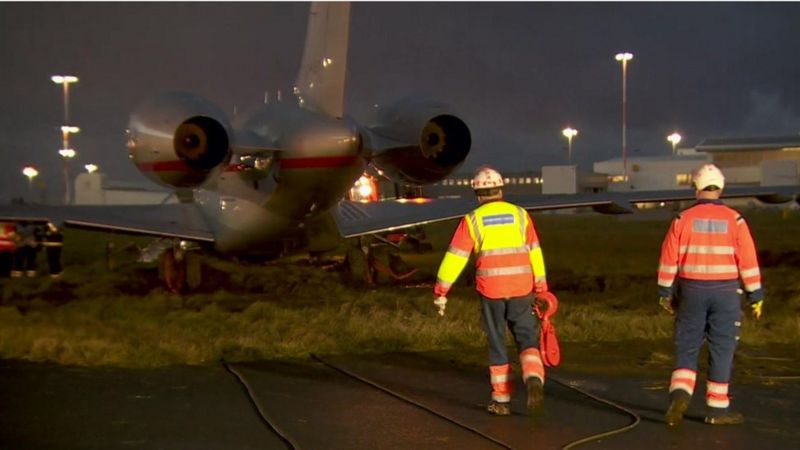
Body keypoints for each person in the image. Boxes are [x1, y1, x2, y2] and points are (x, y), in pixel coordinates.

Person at [433, 166, 549, 416]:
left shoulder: (472, 220)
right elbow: (535, 252)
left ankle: (501, 401)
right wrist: (542, 288)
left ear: (478, 193)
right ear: (500, 189)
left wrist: (441, 290)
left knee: (497, 344)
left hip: (491, 291)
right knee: (527, 339)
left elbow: (456, 257)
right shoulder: (521, 215)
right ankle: (533, 379)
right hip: (522, 289)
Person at [657, 164, 764, 426]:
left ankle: (680, 395)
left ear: (696, 188)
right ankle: (717, 410)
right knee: (722, 348)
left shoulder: (682, 220)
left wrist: (665, 292)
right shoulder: (735, 220)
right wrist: (755, 295)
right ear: (721, 188)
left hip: (691, 291)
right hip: (725, 293)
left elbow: (669, 259)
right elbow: (748, 261)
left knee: (687, 346)